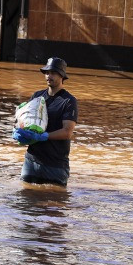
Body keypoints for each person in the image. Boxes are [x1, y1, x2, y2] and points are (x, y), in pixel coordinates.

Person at [15, 57, 78, 186]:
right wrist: (18, 130)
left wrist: (44, 136)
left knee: (54, 202)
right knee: (24, 201)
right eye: (47, 72)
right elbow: (24, 120)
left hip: (55, 165)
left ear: (62, 76)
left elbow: (67, 132)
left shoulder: (68, 101)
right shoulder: (37, 96)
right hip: (31, 161)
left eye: (53, 73)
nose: (49, 75)